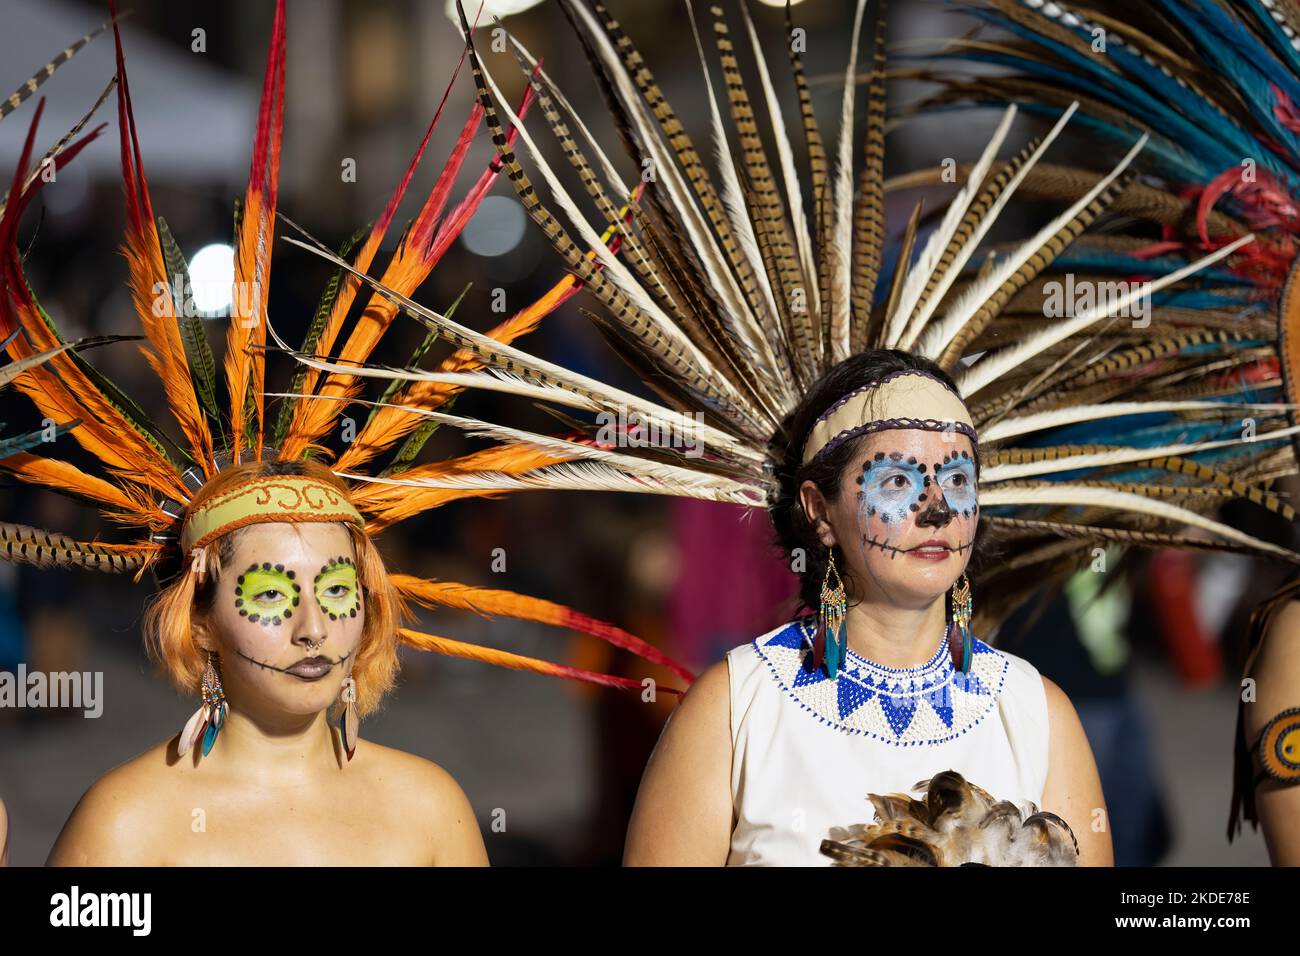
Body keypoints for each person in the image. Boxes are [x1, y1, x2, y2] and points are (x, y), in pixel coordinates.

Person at [1, 1, 692, 866]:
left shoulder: (431, 810)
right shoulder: (125, 827)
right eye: (268, 595)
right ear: (201, 620)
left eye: (336, 591)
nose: (312, 629)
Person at [623, 350, 1111, 865]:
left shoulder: (1037, 714)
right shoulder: (734, 708)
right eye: (897, 480)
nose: (938, 510)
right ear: (820, 511)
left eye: (957, 479)